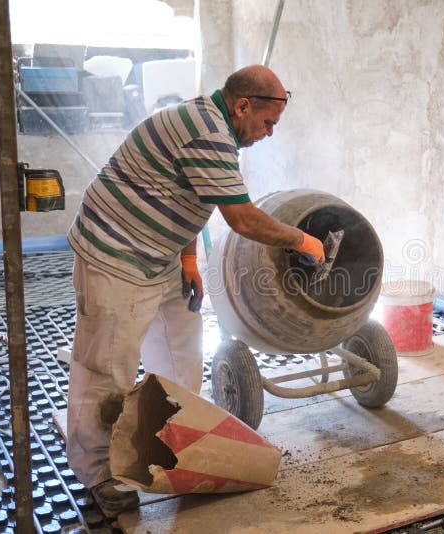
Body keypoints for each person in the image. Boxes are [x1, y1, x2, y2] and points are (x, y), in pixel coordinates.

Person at [65, 65, 324, 517]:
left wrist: (187, 258)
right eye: (268, 123)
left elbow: (188, 194)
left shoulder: (215, 124)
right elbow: (242, 218)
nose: (269, 133)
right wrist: (302, 240)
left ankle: (169, 439)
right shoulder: (207, 133)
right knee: (105, 368)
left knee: (181, 352)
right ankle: (99, 472)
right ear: (242, 106)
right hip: (115, 254)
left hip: (159, 253)